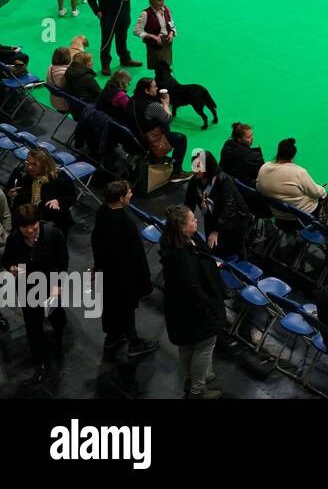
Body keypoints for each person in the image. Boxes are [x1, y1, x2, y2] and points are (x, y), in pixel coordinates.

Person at [159, 205, 225, 399]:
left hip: (179, 307)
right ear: (182, 227)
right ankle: (198, 388)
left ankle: (192, 377)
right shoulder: (182, 257)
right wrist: (209, 305)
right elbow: (192, 287)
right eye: (192, 220)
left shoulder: (176, 242)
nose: (196, 220)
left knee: (186, 345)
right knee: (204, 345)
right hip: (196, 309)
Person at [91, 181, 159, 361]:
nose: (131, 195)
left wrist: (97, 267)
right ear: (121, 198)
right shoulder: (125, 224)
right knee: (126, 309)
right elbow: (136, 255)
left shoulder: (102, 212)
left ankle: (113, 337)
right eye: (128, 193)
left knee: (111, 305)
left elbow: (96, 242)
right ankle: (134, 343)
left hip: (107, 272)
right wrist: (144, 278)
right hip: (124, 275)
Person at [2, 206, 68, 384]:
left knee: (56, 315)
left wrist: (58, 284)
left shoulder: (53, 233)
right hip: (26, 286)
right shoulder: (15, 239)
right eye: (25, 227)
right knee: (33, 326)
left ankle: (59, 334)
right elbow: (7, 259)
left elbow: (62, 261)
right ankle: (41, 363)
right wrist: (12, 268)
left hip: (50, 283)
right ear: (19, 227)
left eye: (33, 225)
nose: (30, 230)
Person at [185, 150, 251, 258]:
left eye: (198, 167)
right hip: (211, 217)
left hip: (233, 220)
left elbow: (228, 209)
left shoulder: (224, 180)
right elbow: (188, 203)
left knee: (233, 253)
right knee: (212, 249)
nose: (194, 170)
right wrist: (183, 222)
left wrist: (215, 230)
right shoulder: (194, 181)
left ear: (208, 166)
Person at [86, 0, 142, 76]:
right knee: (106, 40)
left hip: (124, 12)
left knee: (122, 37)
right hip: (107, 15)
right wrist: (97, 11)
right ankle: (105, 64)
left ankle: (125, 59)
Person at [128, 77, 191, 180]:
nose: (157, 88)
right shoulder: (152, 106)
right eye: (154, 87)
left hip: (135, 136)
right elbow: (168, 119)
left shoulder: (132, 99)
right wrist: (166, 104)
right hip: (148, 140)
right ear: (146, 90)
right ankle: (176, 172)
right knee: (181, 139)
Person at [6, 147, 75, 236]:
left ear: (44, 165)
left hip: (51, 223)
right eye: (28, 162)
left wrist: (58, 201)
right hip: (24, 223)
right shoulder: (20, 173)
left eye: (35, 164)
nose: (29, 167)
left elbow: (72, 197)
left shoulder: (59, 176)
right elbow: (7, 190)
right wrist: (9, 194)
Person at [256, 137, 327, 220]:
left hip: (277, 213)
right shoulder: (299, 172)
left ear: (278, 152)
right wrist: (322, 189)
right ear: (293, 156)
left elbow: (259, 187)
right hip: (301, 215)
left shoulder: (264, 168)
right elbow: (316, 192)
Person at [133, 0, 176, 69]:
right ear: (152, 1)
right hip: (154, 45)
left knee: (167, 67)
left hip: (167, 43)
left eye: (163, 0)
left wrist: (171, 33)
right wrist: (152, 36)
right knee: (158, 68)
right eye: (159, 0)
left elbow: (171, 23)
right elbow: (137, 31)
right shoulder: (145, 14)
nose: (162, 3)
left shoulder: (166, 10)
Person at [219, 122, 265, 187]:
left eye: (252, 135)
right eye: (248, 137)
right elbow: (262, 172)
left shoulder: (227, 145)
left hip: (227, 181)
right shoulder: (253, 157)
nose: (252, 138)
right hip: (246, 185)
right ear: (239, 140)